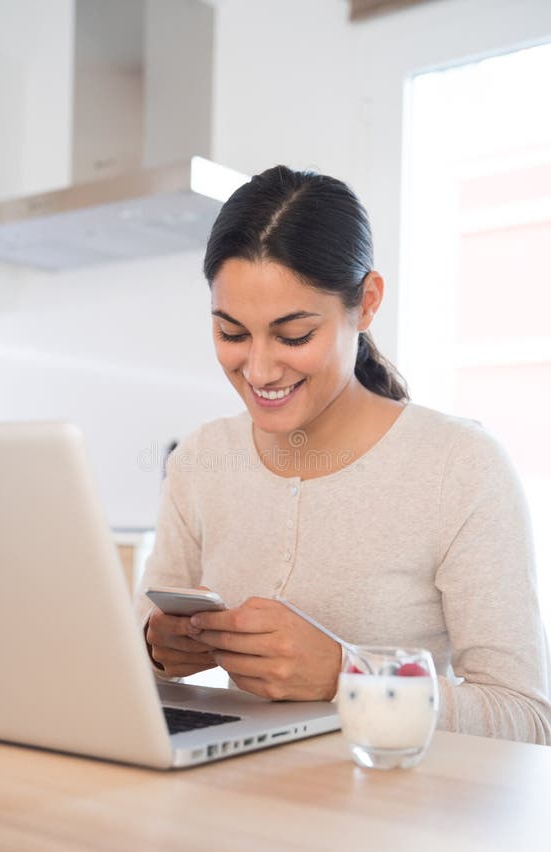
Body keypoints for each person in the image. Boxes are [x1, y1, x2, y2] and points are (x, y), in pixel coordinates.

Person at [135, 164, 551, 744]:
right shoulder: (202, 459)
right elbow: (136, 658)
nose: (257, 370)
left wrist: (344, 673)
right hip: (221, 804)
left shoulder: (461, 467)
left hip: (392, 820)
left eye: (294, 335)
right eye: (231, 333)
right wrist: (158, 650)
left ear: (368, 302)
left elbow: (526, 720)